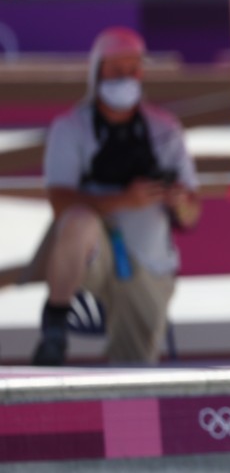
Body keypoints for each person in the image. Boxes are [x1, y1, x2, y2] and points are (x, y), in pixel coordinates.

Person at [30, 26, 201, 365]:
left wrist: (178, 202)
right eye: (116, 70)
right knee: (78, 221)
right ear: (97, 72)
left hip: (149, 261)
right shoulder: (70, 128)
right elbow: (60, 203)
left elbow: (192, 215)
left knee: (134, 374)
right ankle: (55, 328)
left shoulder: (165, 129)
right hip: (91, 260)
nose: (125, 78)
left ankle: (124, 414)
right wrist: (126, 199)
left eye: (132, 70)